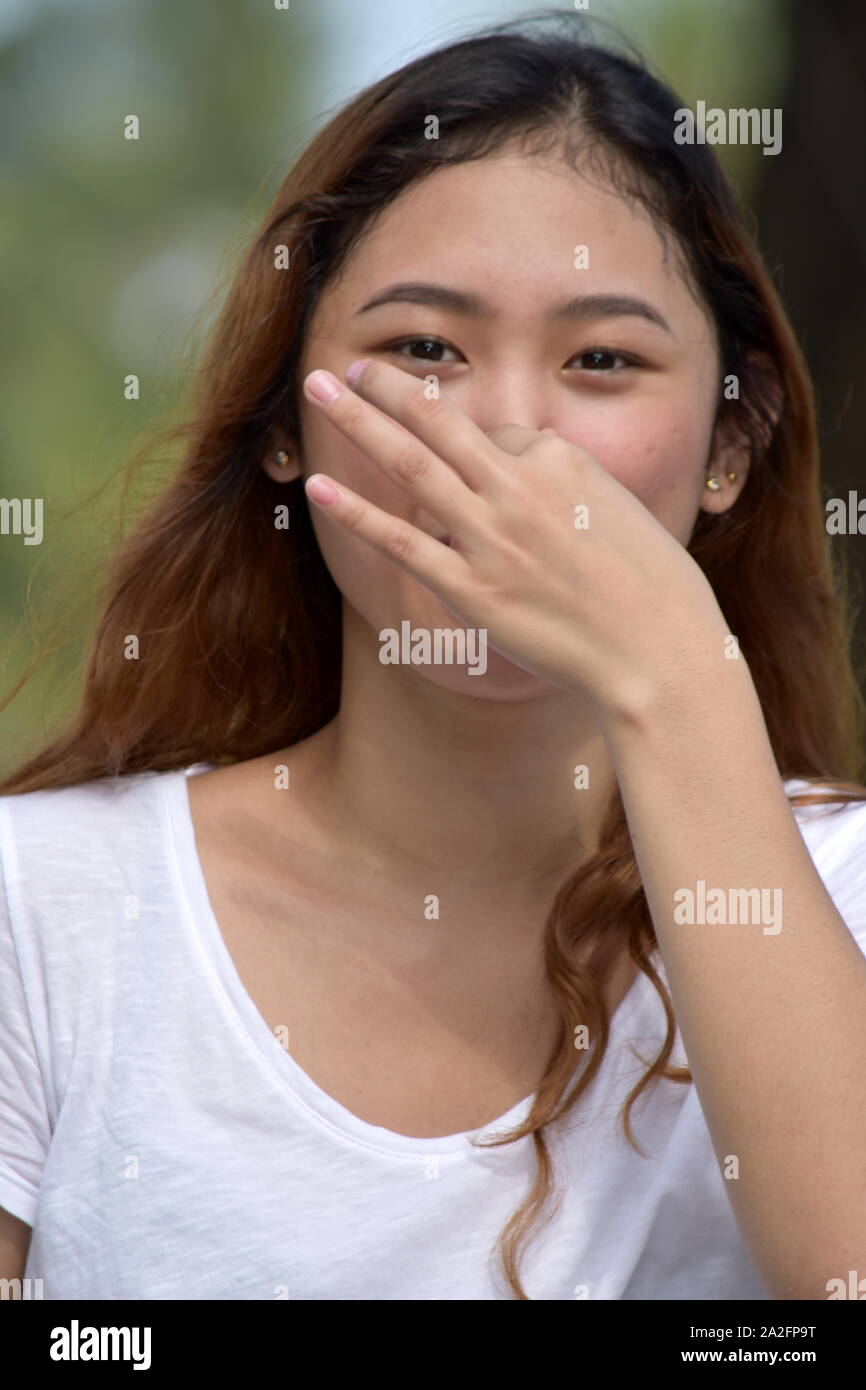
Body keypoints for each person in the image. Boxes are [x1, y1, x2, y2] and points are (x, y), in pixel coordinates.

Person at [1, 10, 865, 1302]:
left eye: (601, 359)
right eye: (421, 350)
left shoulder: (841, 888)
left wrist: (673, 675)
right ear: (288, 423)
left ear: (727, 449)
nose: (510, 436)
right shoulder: (46, 902)